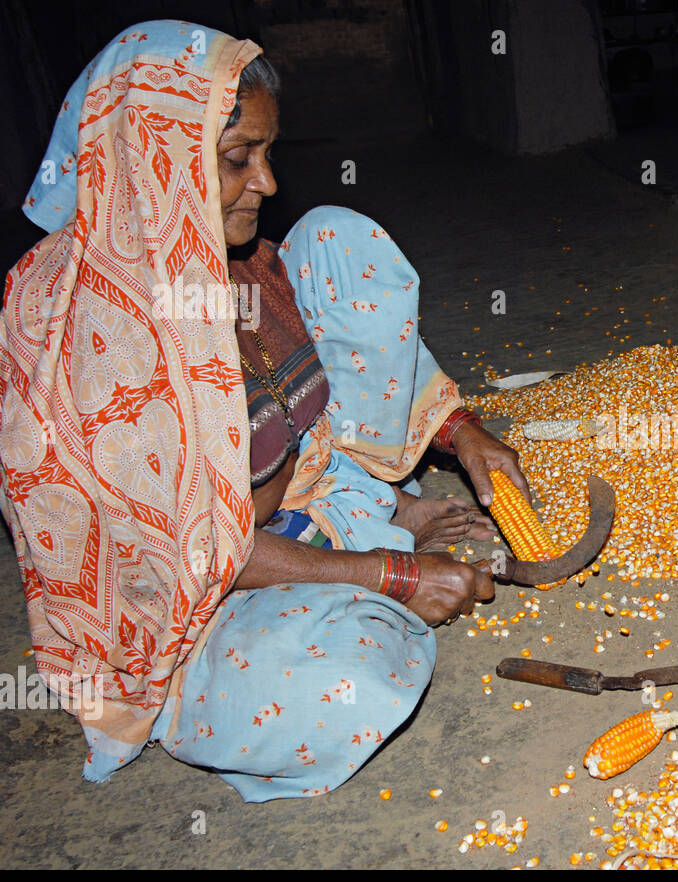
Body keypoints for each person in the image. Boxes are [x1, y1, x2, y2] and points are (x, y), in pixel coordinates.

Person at [0, 21, 527, 800]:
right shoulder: (92, 336)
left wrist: (463, 432)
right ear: (157, 163)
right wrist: (393, 575)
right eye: (238, 158)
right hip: (193, 609)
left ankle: (365, 507)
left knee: (338, 241)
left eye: (268, 152)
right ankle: (345, 563)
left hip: (292, 499)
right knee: (349, 679)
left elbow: (308, 383)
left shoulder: (228, 257)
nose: (269, 183)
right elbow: (204, 560)